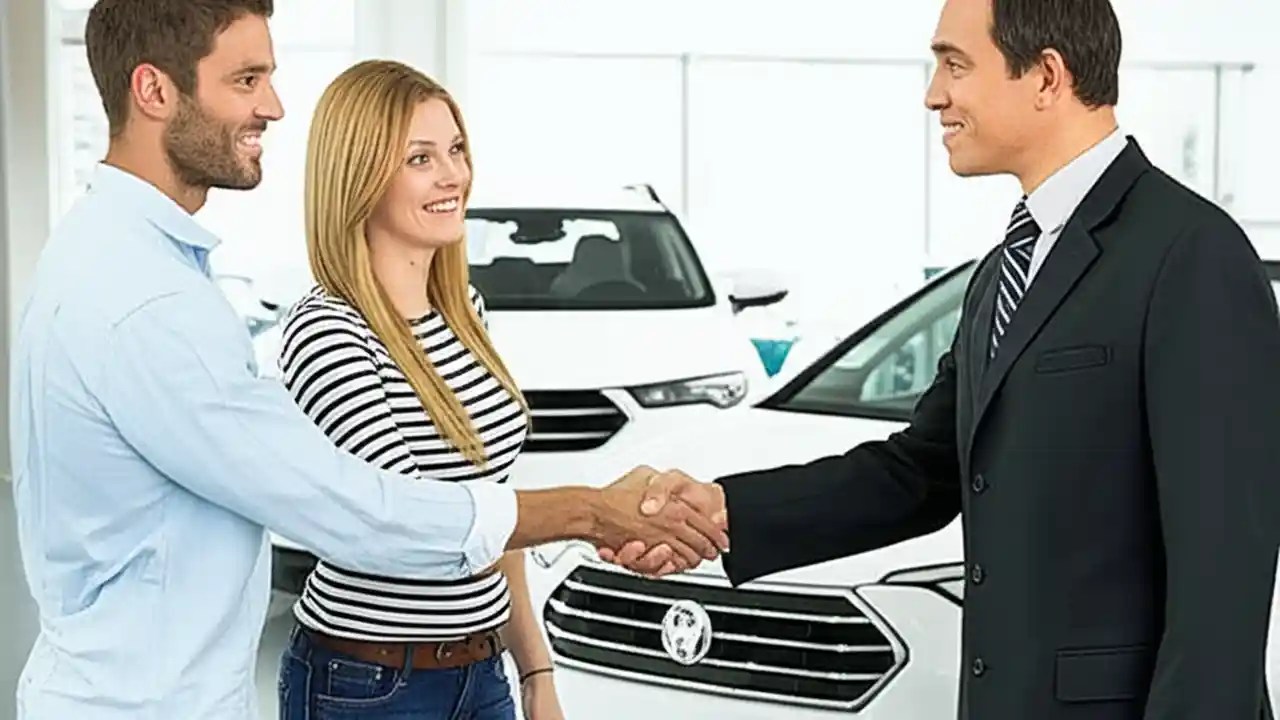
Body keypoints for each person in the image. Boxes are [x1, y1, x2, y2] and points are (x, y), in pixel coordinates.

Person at [7, 2, 725, 719]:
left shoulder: (130, 266)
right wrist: (593, 512)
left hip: (207, 690)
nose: (275, 106)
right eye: (247, 80)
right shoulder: (148, 302)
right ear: (155, 91)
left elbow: (475, 490)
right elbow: (367, 516)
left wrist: (534, 665)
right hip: (224, 697)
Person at [605, 0, 1280, 718]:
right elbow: (919, 472)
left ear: (1047, 76)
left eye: (955, 64)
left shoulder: (1190, 254)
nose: (934, 94)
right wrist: (724, 509)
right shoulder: (1001, 273)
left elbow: (1223, 578)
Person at [273, 59, 561, 720]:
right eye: (421, 158)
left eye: (456, 149)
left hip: (482, 673)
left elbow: (493, 510)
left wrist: (534, 669)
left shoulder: (465, 312)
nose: (453, 175)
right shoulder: (327, 330)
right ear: (360, 177)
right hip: (369, 684)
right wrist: (591, 512)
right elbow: (414, 525)